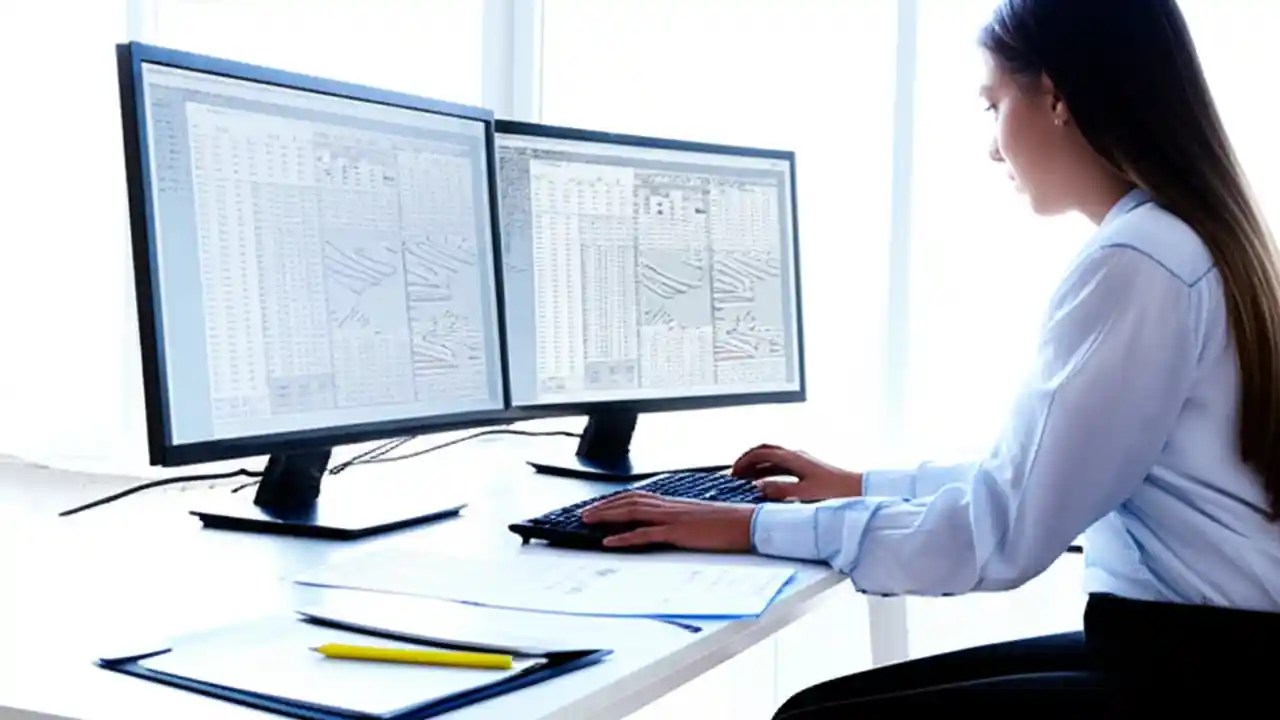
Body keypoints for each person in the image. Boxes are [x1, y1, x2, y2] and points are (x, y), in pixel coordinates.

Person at [582, 0, 1280, 713]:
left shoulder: (1139, 262)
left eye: (993, 103)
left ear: (1057, 97)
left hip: (1198, 668)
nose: (992, 144)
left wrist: (751, 527)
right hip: (1212, 651)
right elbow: (1034, 479)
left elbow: (998, 535)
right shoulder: (1189, 241)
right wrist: (859, 484)